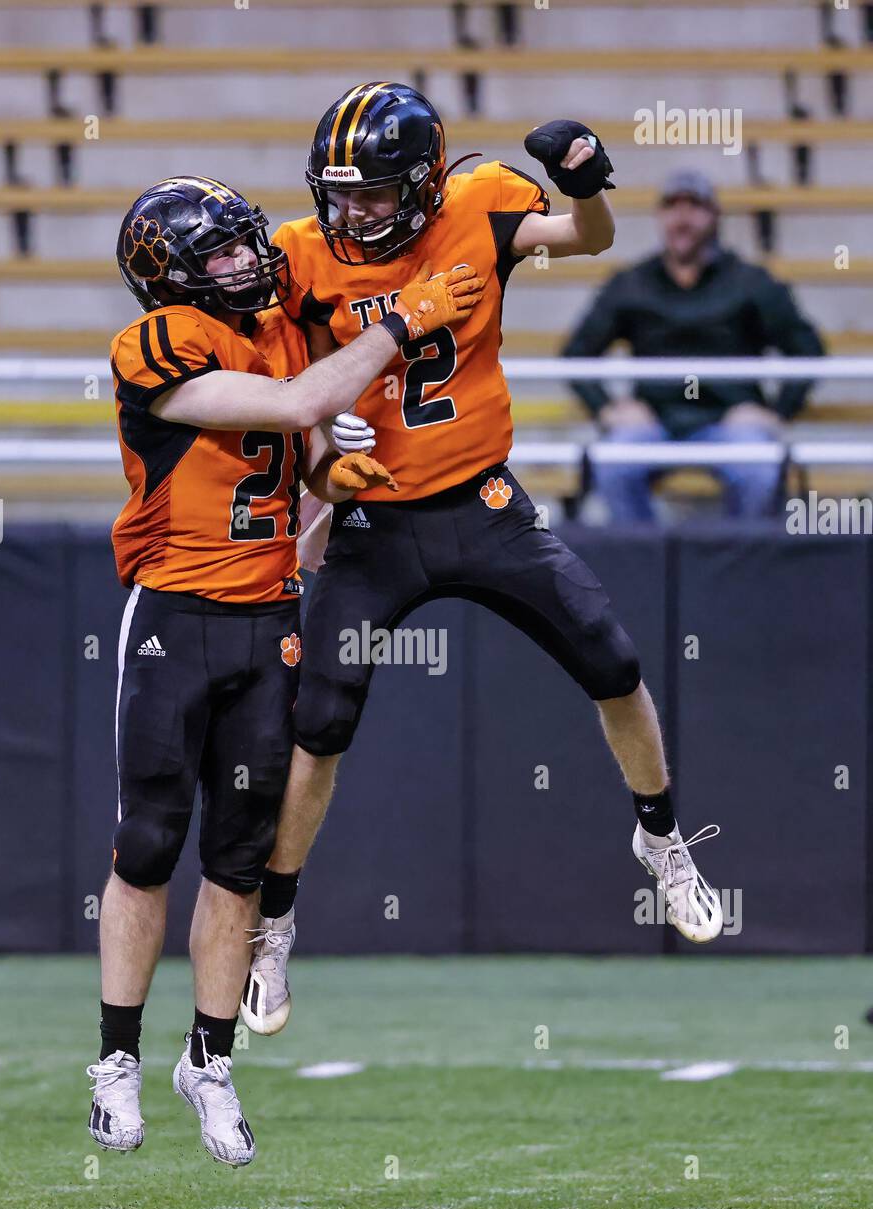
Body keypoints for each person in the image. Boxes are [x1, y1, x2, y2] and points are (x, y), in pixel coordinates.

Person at [236, 85, 725, 1040]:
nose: (353, 212)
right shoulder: (299, 258)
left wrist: (586, 183)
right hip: (372, 519)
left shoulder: (481, 202)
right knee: (321, 723)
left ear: (422, 187)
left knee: (612, 659)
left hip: (482, 501)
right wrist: (328, 474)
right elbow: (293, 405)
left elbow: (589, 241)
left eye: (374, 195)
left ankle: (661, 839)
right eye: (341, 195)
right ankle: (277, 920)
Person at [87, 174, 483, 1166]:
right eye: (217, 251)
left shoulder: (272, 328)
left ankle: (209, 1062)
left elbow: (294, 437)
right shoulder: (156, 345)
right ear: (168, 273)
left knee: (238, 861)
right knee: (146, 844)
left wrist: (326, 475)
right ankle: (117, 1063)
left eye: (241, 243)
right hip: (177, 611)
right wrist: (405, 318)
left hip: (272, 619)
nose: (243, 260)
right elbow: (299, 400)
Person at [562, 169, 824, 521]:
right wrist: (607, 410)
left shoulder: (750, 282)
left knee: (760, 470)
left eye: (695, 206)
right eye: (672, 206)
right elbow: (576, 353)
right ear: (660, 216)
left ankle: (737, 570)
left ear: (715, 216)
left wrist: (777, 414)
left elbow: (808, 349)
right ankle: (647, 567)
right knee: (612, 464)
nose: (683, 218)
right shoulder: (632, 283)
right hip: (654, 422)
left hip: (730, 423)